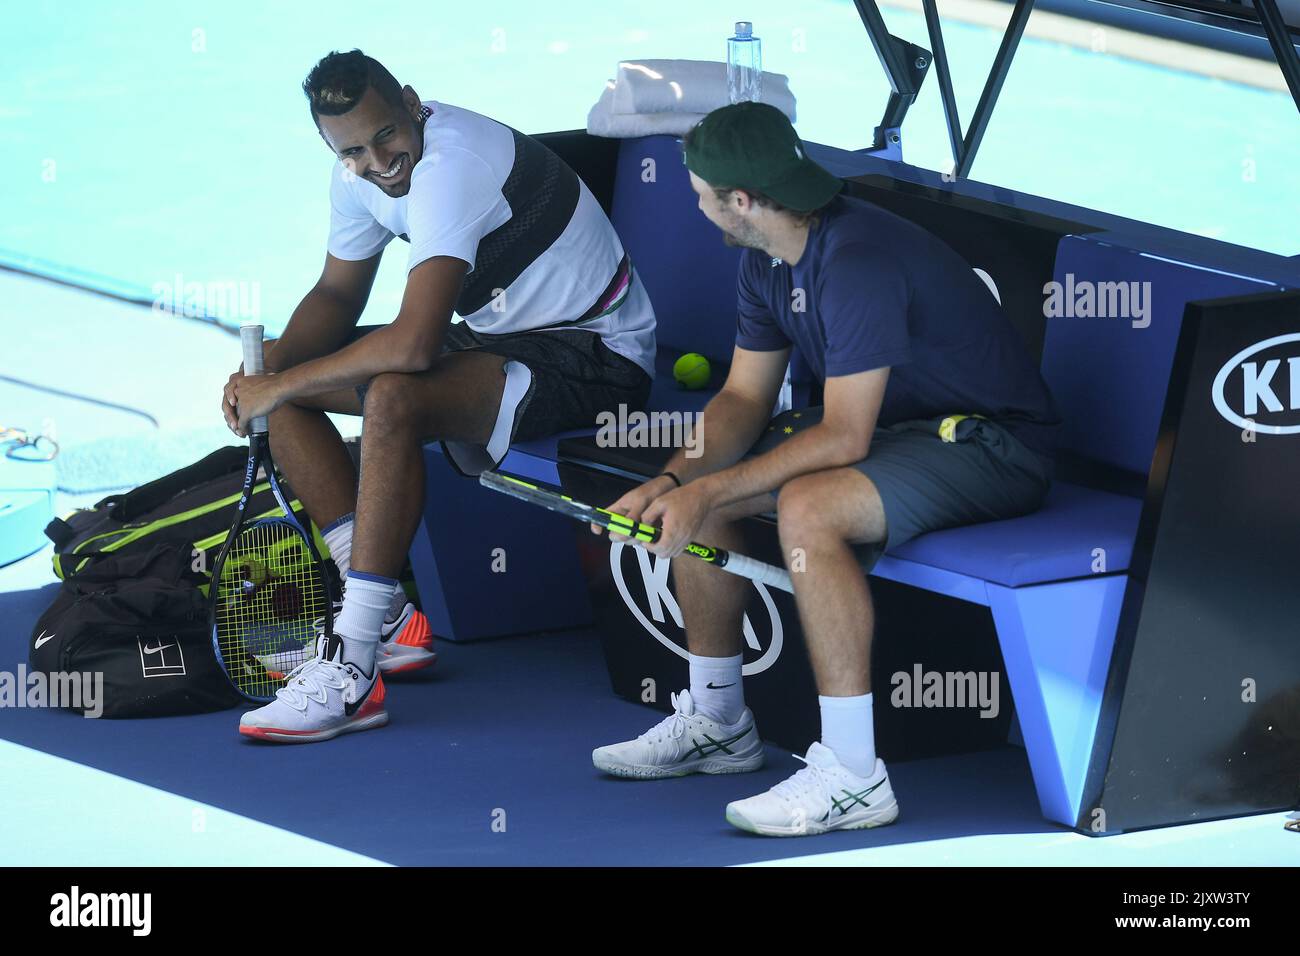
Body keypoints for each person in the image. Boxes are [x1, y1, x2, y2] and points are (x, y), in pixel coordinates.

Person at [591, 102, 1060, 836]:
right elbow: (743, 398)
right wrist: (676, 483)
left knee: (809, 506)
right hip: (901, 433)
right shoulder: (764, 260)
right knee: (712, 496)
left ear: (739, 201)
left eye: (702, 194)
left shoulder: (856, 261)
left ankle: (853, 775)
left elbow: (843, 437)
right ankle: (718, 722)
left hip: (990, 447)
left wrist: (708, 486)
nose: (699, 205)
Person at [224, 50, 655, 743]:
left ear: (414, 104)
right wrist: (269, 375)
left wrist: (282, 378)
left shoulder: (453, 166)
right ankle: (387, 616)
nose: (380, 161)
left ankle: (353, 665)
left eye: (387, 135)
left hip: (595, 357)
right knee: (290, 383)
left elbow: (415, 347)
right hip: (500, 342)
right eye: (354, 150)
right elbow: (336, 295)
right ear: (332, 147)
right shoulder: (356, 179)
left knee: (392, 395)